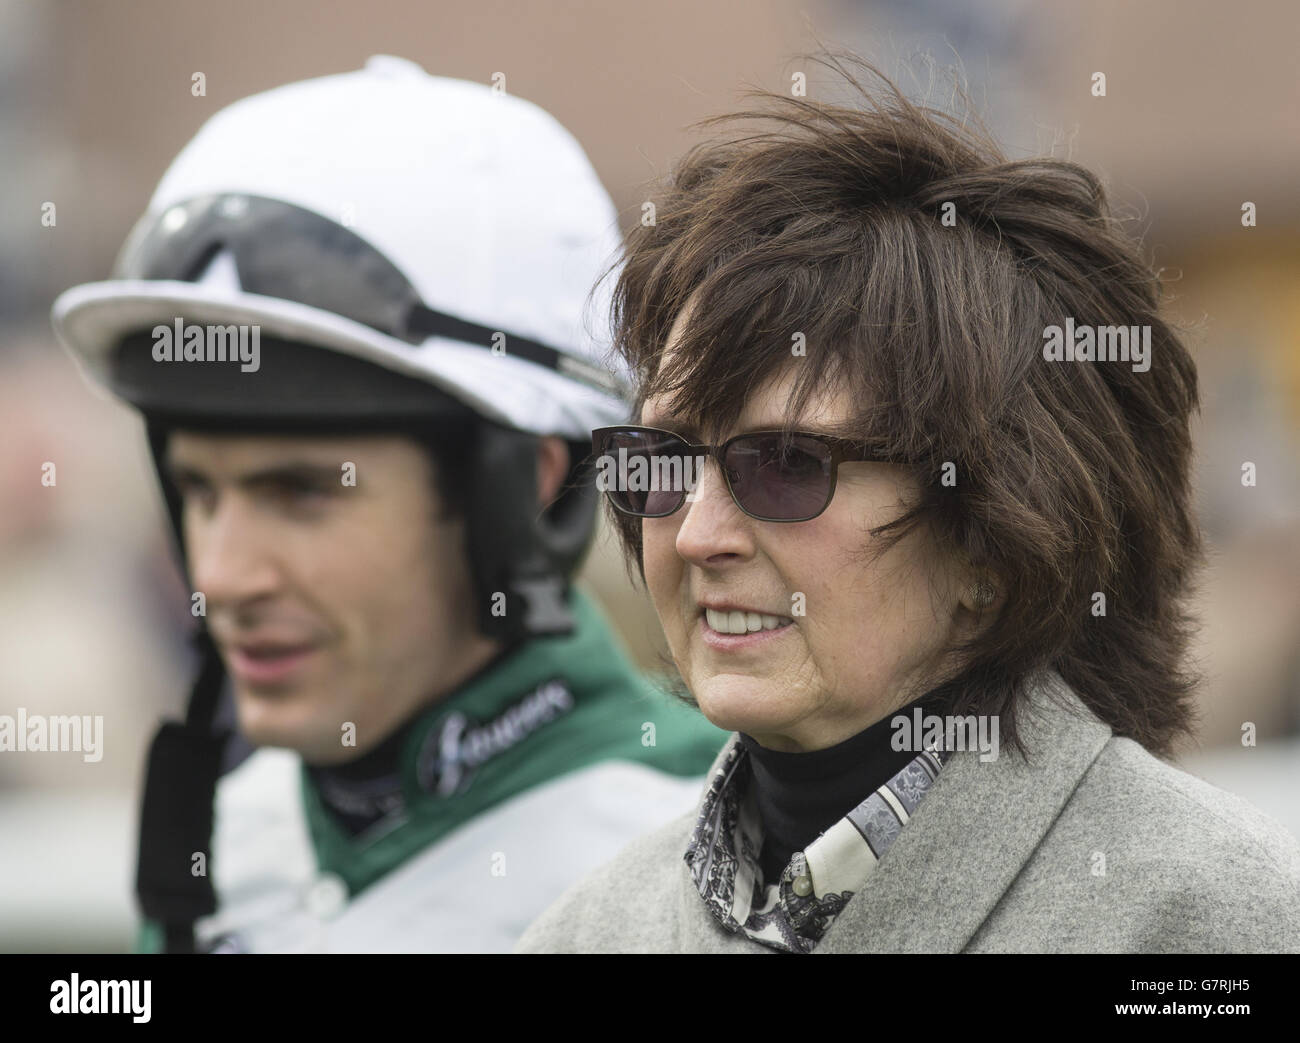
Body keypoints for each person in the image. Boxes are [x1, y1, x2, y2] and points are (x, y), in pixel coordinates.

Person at [516, 58, 1300, 954]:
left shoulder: (1210, 925)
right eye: (663, 459)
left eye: (783, 465)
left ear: (997, 538)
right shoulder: (583, 934)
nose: (696, 533)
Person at [50, 55, 724, 954]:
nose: (221, 576)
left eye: (300, 492)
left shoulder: (716, 867)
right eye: (196, 490)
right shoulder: (220, 839)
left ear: (520, 489)